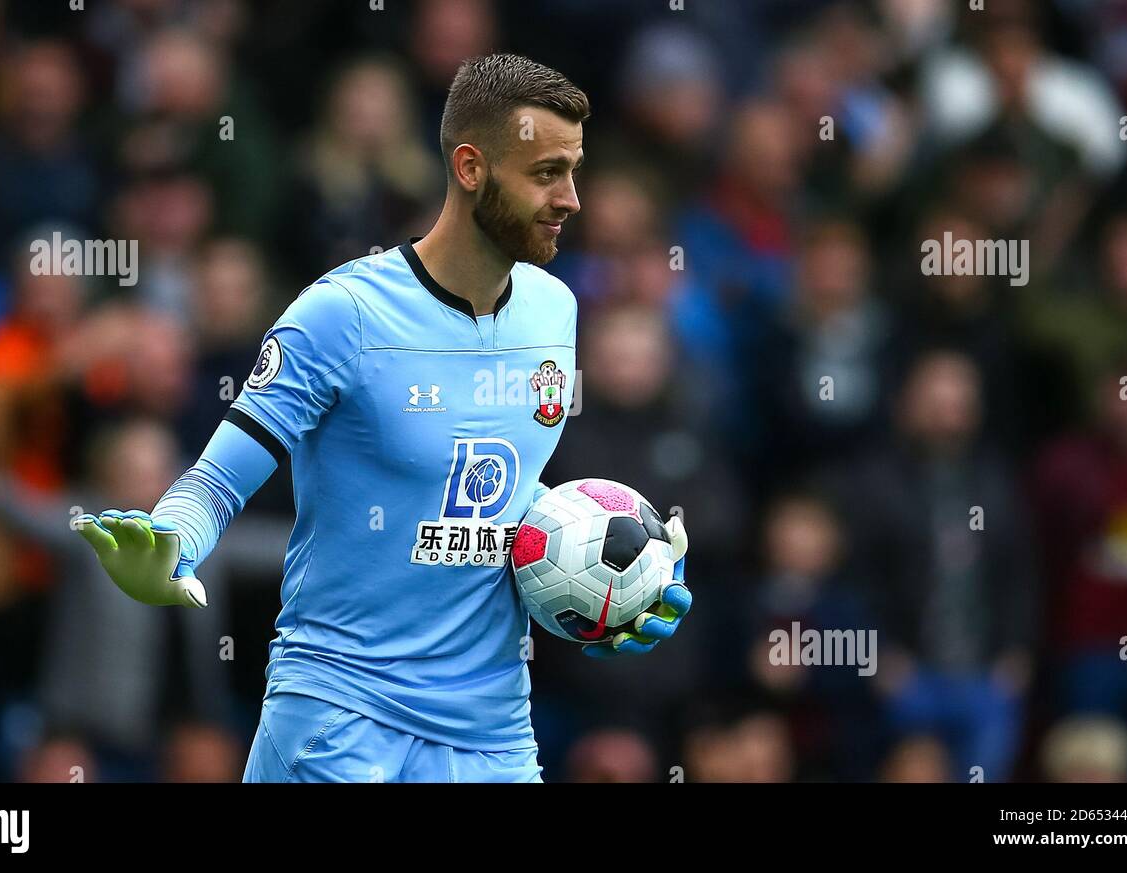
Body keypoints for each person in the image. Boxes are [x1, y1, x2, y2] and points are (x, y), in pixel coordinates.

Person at [72, 54, 692, 783]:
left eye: (574, 170)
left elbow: (499, 487)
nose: (572, 198)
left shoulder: (556, 310)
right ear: (470, 167)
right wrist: (171, 542)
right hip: (340, 719)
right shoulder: (343, 315)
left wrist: (611, 586)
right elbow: (215, 481)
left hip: (490, 732)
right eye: (547, 173)